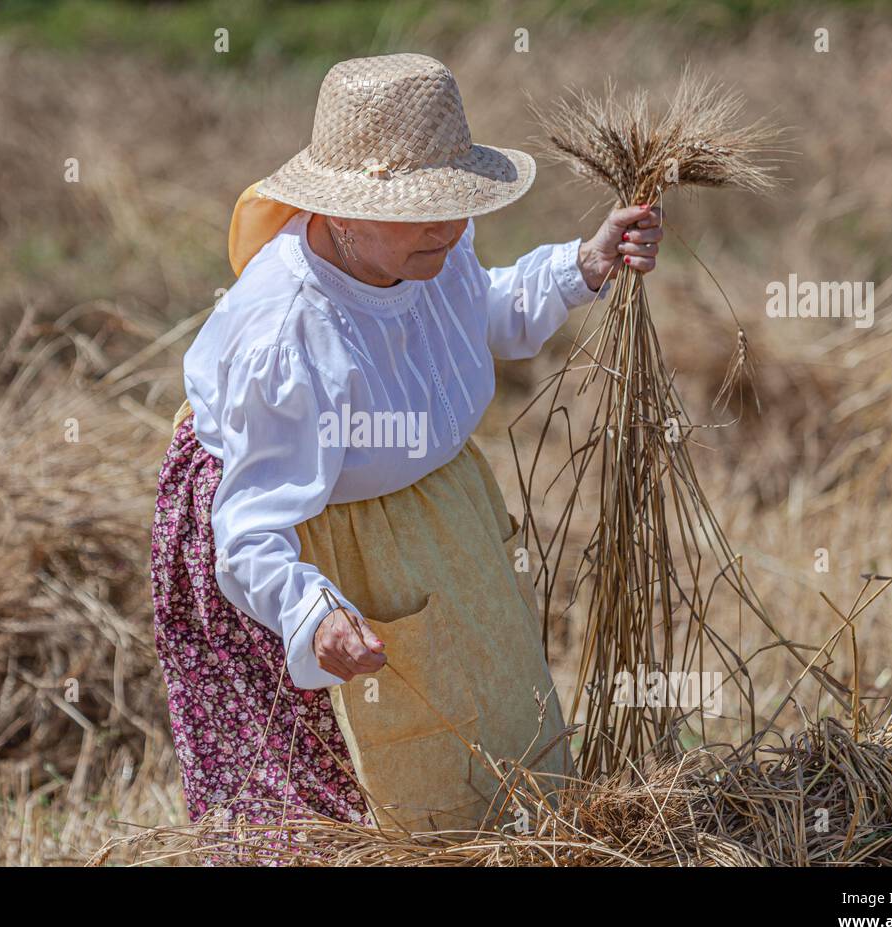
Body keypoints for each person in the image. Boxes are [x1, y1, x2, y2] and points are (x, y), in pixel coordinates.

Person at [151, 52, 664, 834]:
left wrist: (581, 265)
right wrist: (311, 612)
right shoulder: (288, 337)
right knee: (354, 801)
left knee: (487, 725)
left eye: (457, 205)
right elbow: (249, 529)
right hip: (309, 534)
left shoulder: (426, 246)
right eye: (425, 210)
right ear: (341, 212)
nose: (451, 228)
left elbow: (472, 311)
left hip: (425, 513)